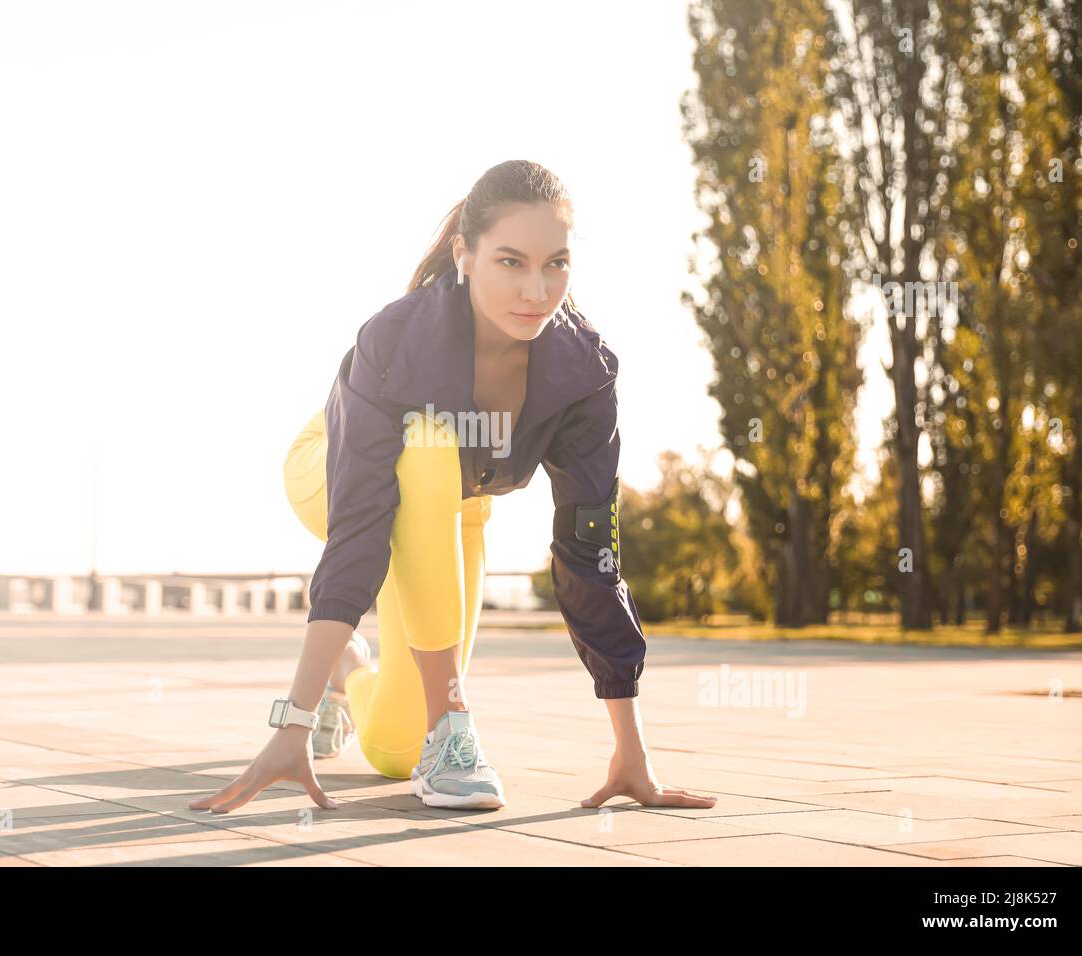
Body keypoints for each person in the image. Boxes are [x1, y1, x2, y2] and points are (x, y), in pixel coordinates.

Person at [189, 159, 717, 814]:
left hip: (453, 507)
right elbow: (359, 526)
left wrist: (632, 751)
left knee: (391, 750)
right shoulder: (396, 340)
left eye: (556, 263)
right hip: (331, 468)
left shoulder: (584, 371)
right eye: (510, 262)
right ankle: (453, 730)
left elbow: (592, 554)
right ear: (464, 255)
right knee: (431, 449)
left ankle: (353, 674)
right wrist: (289, 724)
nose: (536, 290)